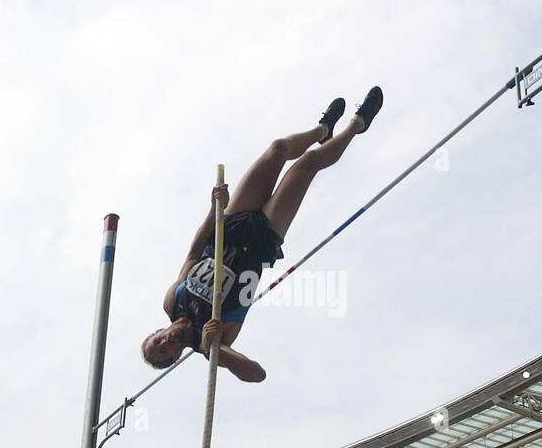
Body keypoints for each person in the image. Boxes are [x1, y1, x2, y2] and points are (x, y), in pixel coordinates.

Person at [141, 89, 383, 381]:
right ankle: (358, 124)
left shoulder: (172, 301)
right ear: (176, 356)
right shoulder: (214, 345)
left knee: (278, 149)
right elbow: (257, 375)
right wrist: (217, 350)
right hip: (262, 240)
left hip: (228, 224)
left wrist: (214, 209)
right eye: (166, 353)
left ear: (157, 332)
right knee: (305, 166)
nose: (166, 344)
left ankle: (322, 129)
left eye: (158, 342)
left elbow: (194, 251)